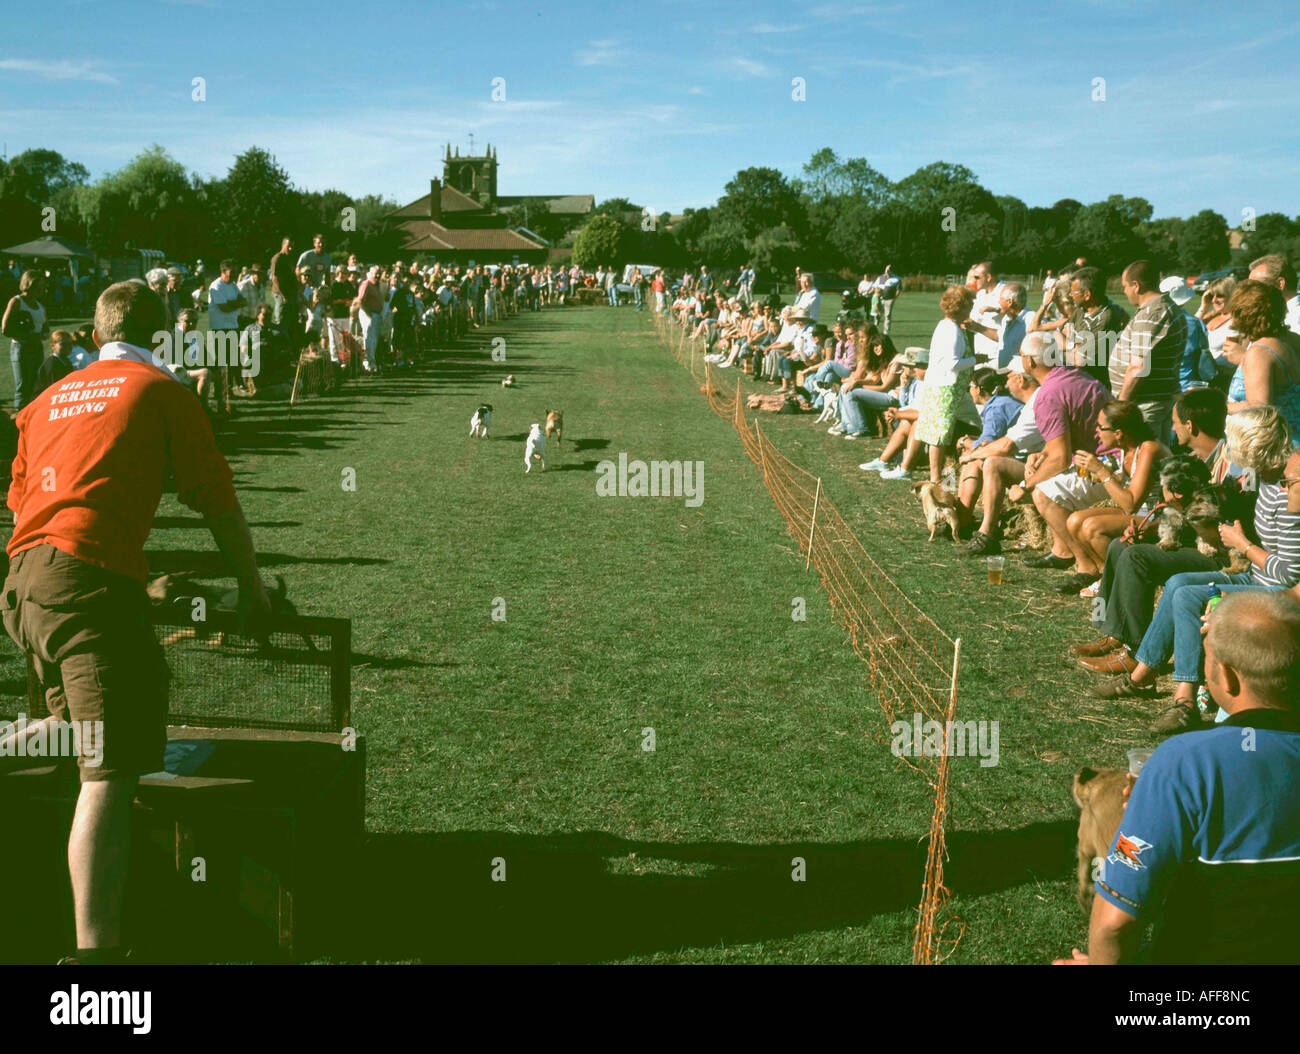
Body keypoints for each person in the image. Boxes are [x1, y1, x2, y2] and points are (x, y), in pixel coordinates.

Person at [0, 280, 269, 965]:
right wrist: (251, 585)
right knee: (109, 772)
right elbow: (216, 499)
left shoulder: (42, 399)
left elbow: (26, 500)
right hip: (83, 583)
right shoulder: (163, 391)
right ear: (162, 335)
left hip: (24, 585)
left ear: (93, 335)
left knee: (80, 726)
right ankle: (96, 964)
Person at [1055, 590, 1300, 965]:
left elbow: (1114, 926)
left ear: (1228, 677)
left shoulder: (1181, 763)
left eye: (1208, 659)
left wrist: (1156, 799)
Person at [1090, 408, 1300, 727]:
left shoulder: (1289, 494)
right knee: (1177, 583)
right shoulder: (1268, 480)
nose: (1231, 447)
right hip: (1254, 573)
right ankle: (1143, 673)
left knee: (1187, 596)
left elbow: (1288, 574)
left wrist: (1241, 544)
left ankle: (1182, 698)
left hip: (1273, 586)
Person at [1072, 388, 1237, 670]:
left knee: (1137, 558)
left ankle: (1135, 651)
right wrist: (1149, 529)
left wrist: (1184, 508)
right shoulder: (1195, 461)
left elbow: (1221, 535)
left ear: (1190, 425)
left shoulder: (1229, 466)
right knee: (1120, 546)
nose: (1171, 427)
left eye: (1174, 421)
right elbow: (1177, 517)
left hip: (1221, 557)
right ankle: (1116, 634)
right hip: (1195, 542)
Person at [1015, 333, 1115, 569]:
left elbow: (1060, 459)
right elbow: (1063, 442)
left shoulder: (1047, 395)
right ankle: (1061, 551)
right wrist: (1043, 452)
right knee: (1049, 478)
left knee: (1043, 492)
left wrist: (1024, 486)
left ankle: (1086, 564)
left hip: (1106, 467)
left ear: (1029, 361)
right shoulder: (1073, 376)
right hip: (1113, 458)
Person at [1050, 400, 1170, 595]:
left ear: (1118, 433)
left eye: (1100, 427)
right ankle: (1105, 574)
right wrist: (1100, 474)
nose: (1096, 430)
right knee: (1074, 521)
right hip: (1141, 513)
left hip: (1157, 520)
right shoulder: (1127, 449)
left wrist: (1100, 470)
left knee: (1092, 528)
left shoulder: (1149, 449)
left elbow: (1130, 504)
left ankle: (1115, 580)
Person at [955, 366, 1043, 555]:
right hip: (1027, 459)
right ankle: (963, 519)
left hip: (1035, 465)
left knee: (983, 461)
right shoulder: (1011, 402)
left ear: (978, 389)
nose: (1005, 384)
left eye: (970, 386)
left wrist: (966, 444)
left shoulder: (997, 407)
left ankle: (976, 528)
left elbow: (996, 444)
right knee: (979, 459)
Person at [905, 285, 979, 484]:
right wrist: (975, 359)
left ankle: (937, 477)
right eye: (969, 304)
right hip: (945, 387)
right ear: (960, 307)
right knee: (939, 434)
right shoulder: (952, 331)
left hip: (943, 386)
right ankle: (936, 478)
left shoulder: (947, 326)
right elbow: (952, 364)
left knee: (937, 431)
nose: (972, 307)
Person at [1111, 260, 1187, 441]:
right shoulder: (1163, 308)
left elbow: (1138, 368)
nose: (1124, 291)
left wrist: (1121, 406)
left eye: (1125, 286)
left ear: (1136, 286)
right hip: (1153, 401)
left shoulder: (1152, 313)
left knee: (1145, 460)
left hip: (1145, 405)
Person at [1220, 279, 1300, 440]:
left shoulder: (1259, 353)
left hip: (1276, 447)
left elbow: (1260, 408)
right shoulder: (1291, 339)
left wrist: (1220, 405)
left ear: (1243, 314)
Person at [1060, 266, 1128, 390]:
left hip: (1093, 386)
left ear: (1087, 295)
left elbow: (1080, 362)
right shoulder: (1081, 309)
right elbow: (1059, 334)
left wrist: (1068, 341)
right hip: (1076, 379)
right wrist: (1073, 346)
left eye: (1073, 291)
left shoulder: (1106, 319)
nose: (1070, 295)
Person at [2, 269, 48, 410]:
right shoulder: (17, 301)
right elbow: (5, 328)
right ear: (30, 283)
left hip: (36, 348)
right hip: (22, 348)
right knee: (23, 386)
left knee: (35, 384)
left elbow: (46, 328)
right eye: (40, 285)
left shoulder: (40, 306)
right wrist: (28, 336)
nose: (43, 288)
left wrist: (43, 334)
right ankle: (18, 420)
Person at [961, 282, 1030, 372]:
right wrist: (976, 327)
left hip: (1019, 374)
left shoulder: (1031, 319)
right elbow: (1000, 337)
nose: (998, 302)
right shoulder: (1007, 318)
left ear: (1009, 302)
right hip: (1005, 371)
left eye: (1001, 299)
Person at [33, 329, 78, 398]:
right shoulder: (52, 364)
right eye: (63, 344)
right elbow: (53, 390)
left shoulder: (65, 361)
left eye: (70, 344)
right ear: (52, 346)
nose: (67, 347)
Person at [269, 236, 298, 327]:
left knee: (291, 320)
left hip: (290, 294)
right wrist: (283, 295)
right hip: (281, 294)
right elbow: (275, 278)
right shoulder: (277, 258)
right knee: (280, 320)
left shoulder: (290, 258)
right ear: (283, 245)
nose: (290, 248)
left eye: (292, 246)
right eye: (288, 246)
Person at [875, 265, 901, 334]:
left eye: (889, 270)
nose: (887, 272)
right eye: (886, 270)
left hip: (889, 299)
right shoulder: (881, 277)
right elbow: (876, 287)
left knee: (887, 315)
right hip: (880, 299)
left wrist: (894, 298)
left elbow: (898, 290)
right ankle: (875, 324)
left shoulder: (896, 279)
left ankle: (886, 331)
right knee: (878, 313)